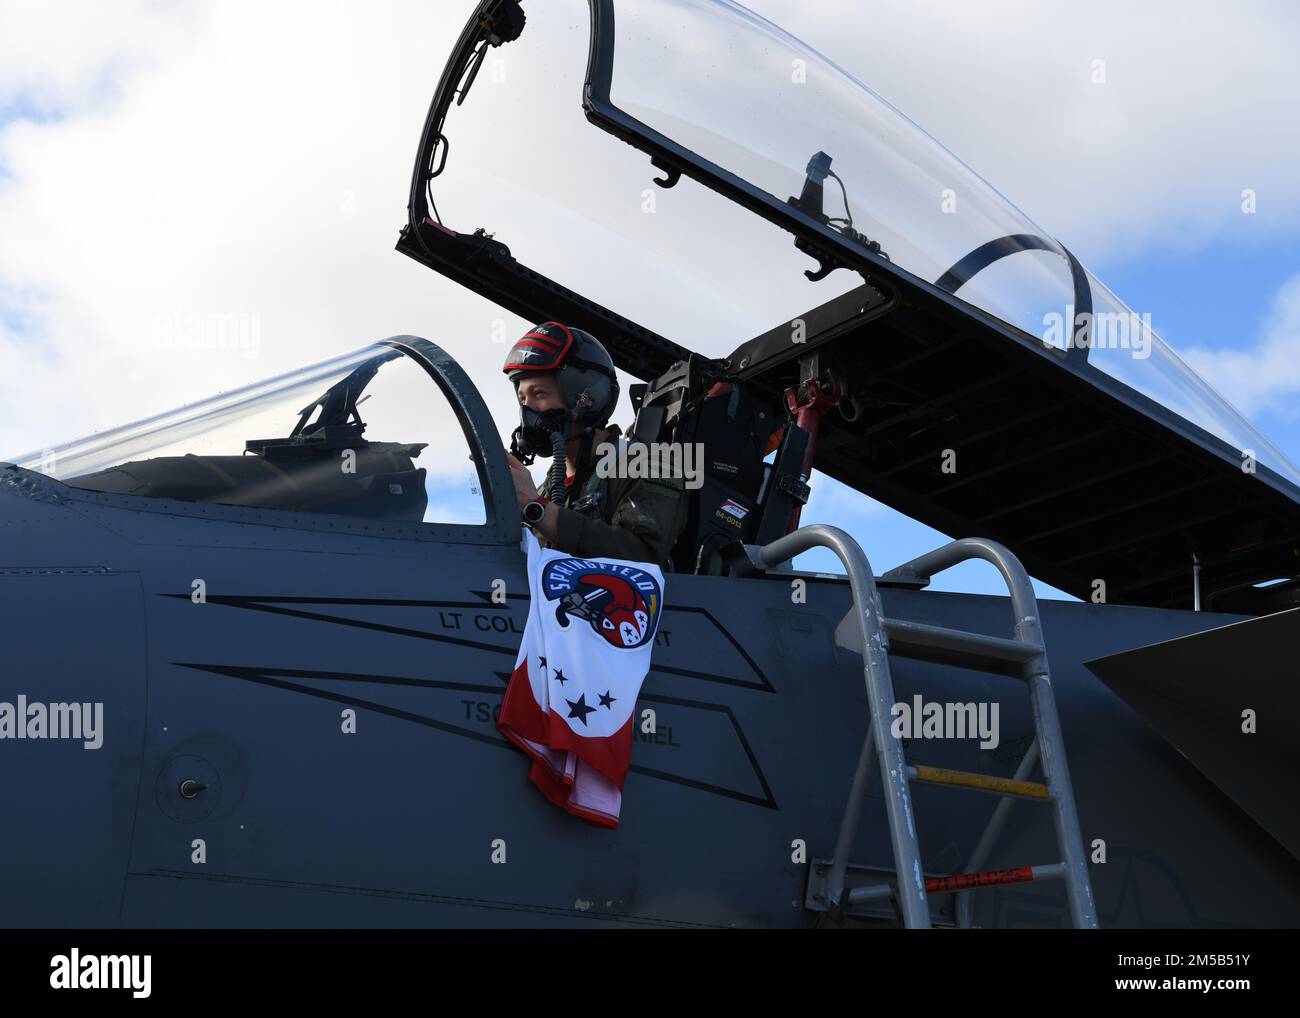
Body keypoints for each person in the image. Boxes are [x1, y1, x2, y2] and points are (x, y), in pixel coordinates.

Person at [502, 321, 688, 569]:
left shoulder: (650, 464)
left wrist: (538, 509)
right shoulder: (546, 490)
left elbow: (642, 555)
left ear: (585, 398)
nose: (528, 410)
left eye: (539, 394)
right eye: (522, 398)